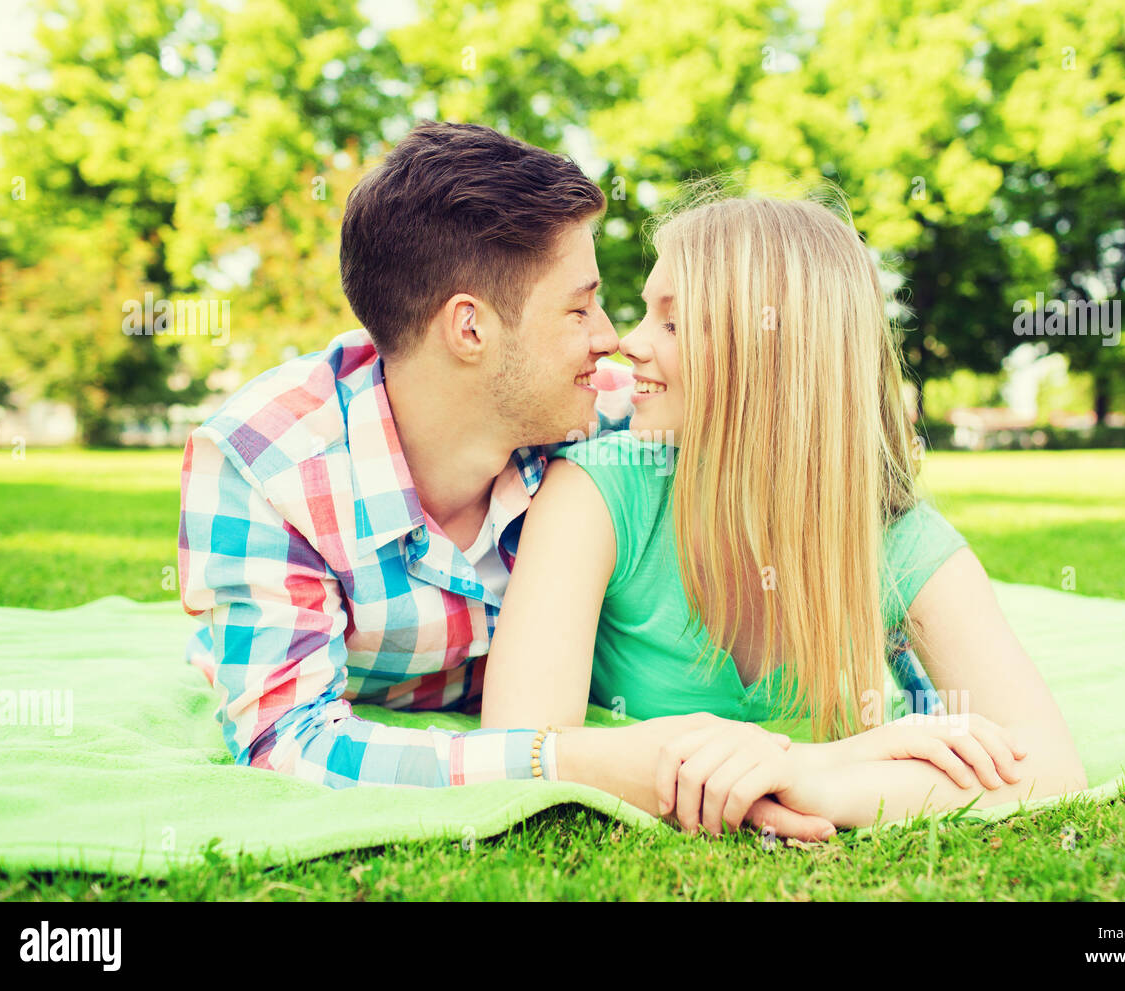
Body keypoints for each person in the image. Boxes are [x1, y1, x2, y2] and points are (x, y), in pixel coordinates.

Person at [177, 121, 838, 839]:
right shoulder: (266, 465)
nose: (612, 337)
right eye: (580, 307)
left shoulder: (617, 414)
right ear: (470, 329)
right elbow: (288, 744)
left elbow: (786, 441)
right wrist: (573, 759)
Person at [481, 193, 1089, 834]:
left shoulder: (897, 537)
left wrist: (807, 776)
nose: (627, 344)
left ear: (772, 353)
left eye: (674, 324)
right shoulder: (595, 493)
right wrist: (825, 760)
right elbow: (517, 742)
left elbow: (1049, 765)